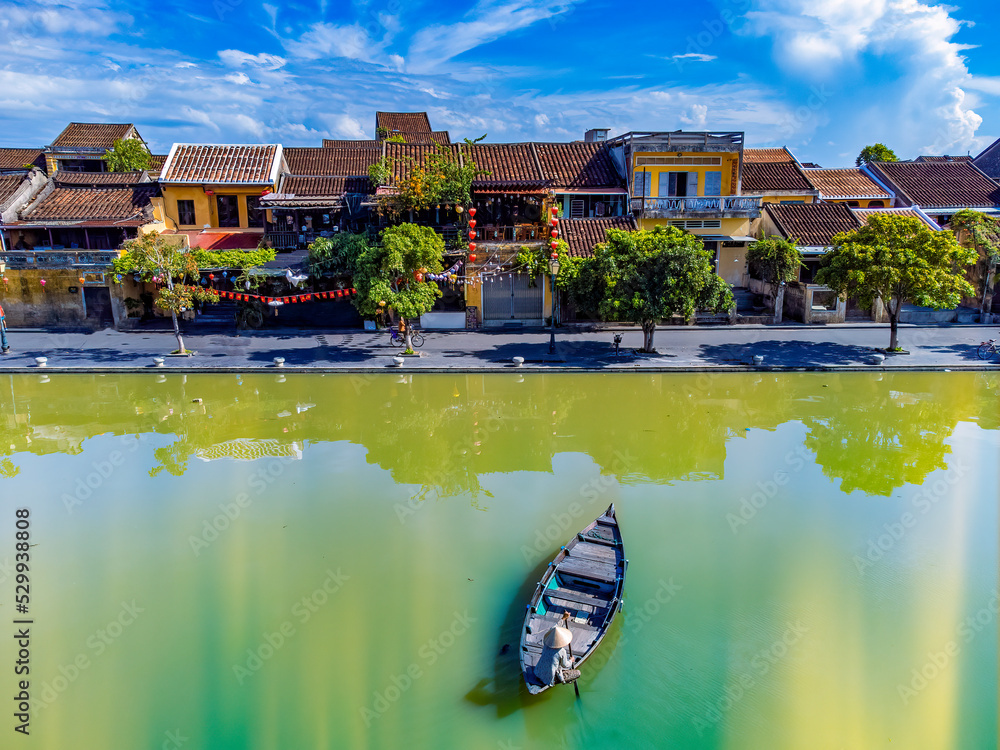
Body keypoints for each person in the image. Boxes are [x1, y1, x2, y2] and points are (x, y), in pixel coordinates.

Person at [534, 615, 581, 686]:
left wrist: (563, 618)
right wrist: (571, 660)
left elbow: (553, 628)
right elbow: (565, 665)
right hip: (549, 678)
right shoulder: (561, 651)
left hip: (537, 671)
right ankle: (555, 680)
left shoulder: (546, 643)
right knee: (578, 673)